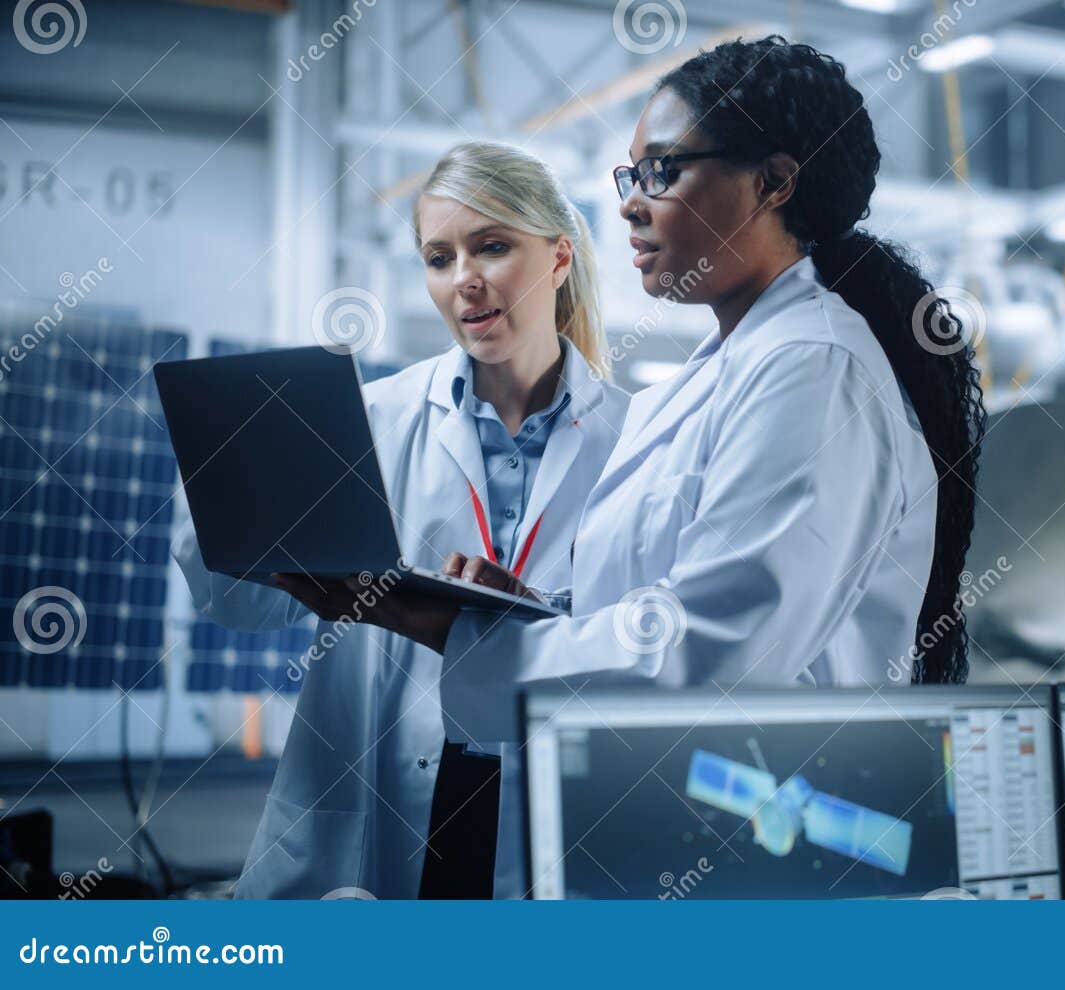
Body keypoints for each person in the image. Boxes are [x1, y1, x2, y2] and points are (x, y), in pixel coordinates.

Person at [333, 37, 986, 762]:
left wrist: (463, 637)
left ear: (774, 182)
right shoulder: (720, 375)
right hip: (661, 812)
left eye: (661, 172)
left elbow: (716, 651)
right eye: (630, 176)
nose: (630, 208)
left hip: (762, 830)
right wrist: (528, 614)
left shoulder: (815, 368)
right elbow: (653, 608)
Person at [173, 142, 628, 899]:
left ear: (558, 258)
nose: (465, 281)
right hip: (374, 794)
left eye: (492, 246)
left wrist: (543, 618)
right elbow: (242, 604)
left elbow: (653, 646)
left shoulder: (638, 442)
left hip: (551, 790)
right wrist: (234, 506)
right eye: (439, 257)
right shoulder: (365, 424)